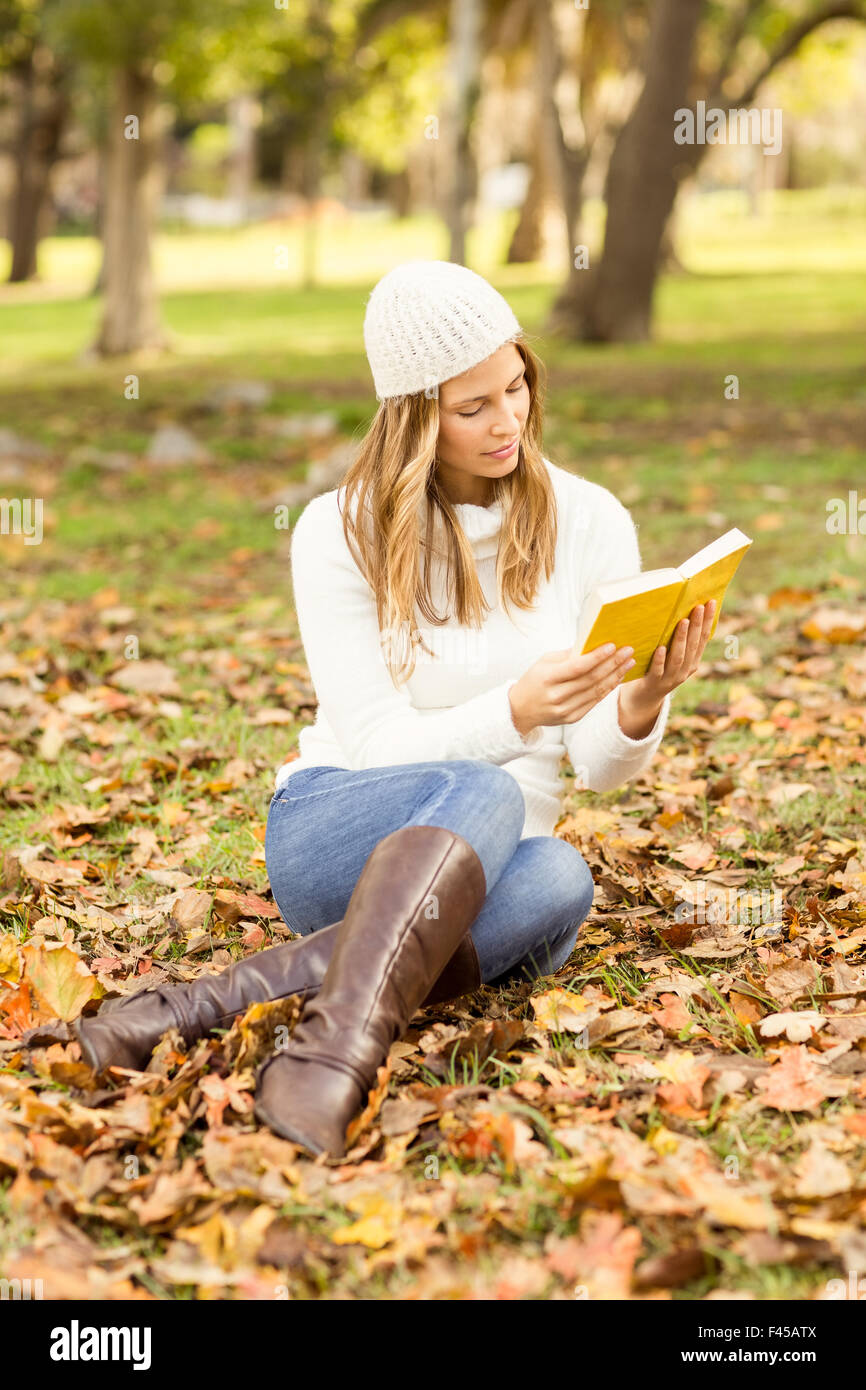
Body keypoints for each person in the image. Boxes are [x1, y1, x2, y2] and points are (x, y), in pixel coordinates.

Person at [75, 260, 716, 1158]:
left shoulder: (590, 519)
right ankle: (339, 1054)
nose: (509, 421)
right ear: (415, 416)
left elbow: (600, 768)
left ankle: (190, 1012)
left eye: (517, 385)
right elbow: (376, 747)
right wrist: (517, 712)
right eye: (473, 407)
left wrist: (645, 697)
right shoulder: (337, 535)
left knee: (563, 878)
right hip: (338, 826)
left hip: (491, 871)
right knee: (489, 791)